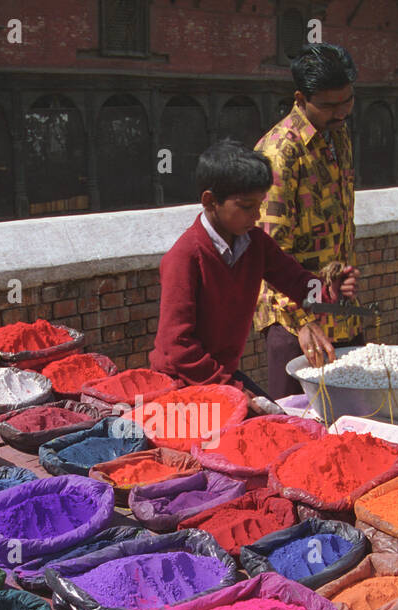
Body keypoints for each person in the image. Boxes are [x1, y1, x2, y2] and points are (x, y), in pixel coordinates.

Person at [150, 140, 350, 396]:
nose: (256, 215)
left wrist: (328, 290)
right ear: (210, 201)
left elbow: (296, 282)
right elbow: (176, 346)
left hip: (222, 375)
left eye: (260, 205)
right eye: (246, 207)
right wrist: (233, 389)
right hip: (181, 383)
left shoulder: (255, 244)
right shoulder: (185, 258)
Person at [254, 43, 362, 399]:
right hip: (296, 323)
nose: (341, 112)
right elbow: (268, 253)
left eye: (347, 101)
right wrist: (303, 321)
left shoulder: (338, 135)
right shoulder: (280, 154)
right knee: (298, 426)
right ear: (300, 98)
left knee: (352, 424)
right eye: (330, 105)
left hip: (339, 310)